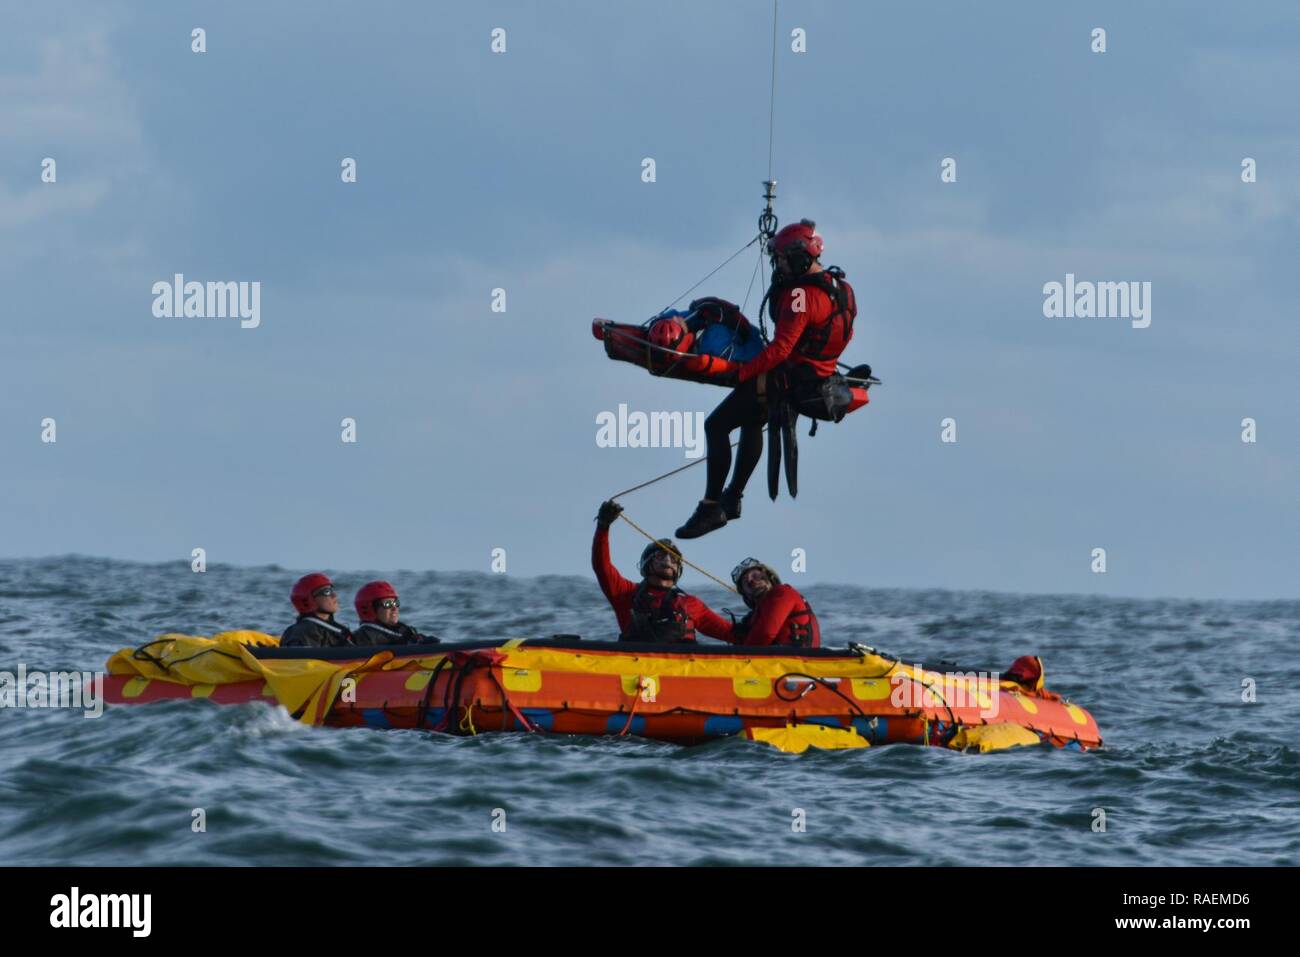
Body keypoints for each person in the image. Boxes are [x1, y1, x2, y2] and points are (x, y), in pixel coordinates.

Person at [676, 219, 857, 539]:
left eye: (783, 260)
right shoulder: (842, 287)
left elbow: (780, 350)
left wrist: (742, 372)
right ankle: (733, 501)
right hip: (818, 377)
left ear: (802, 257)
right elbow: (842, 333)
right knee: (751, 421)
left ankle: (711, 507)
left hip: (787, 379)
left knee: (715, 426)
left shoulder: (800, 296)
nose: (779, 266)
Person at [592, 500, 733, 643]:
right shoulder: (625, 593)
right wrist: (603, 527)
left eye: (673, 558)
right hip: (636, 663)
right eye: (660, 555)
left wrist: (757, 607)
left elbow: (733, 634)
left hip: (685, 665)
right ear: (646, 563)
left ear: (678, 568)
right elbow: (601, 566)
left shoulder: (691, 603)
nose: (668, 560)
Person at [727, 558, 820, 648]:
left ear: (769, 577)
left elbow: (765, 634)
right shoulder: (755, 617)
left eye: (755, 576)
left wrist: (741, 654)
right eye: (746, 582)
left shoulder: (783, 592)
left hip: (797, 661)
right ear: (746, 595)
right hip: (777, 661)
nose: (752, 581)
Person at [352, 581, 440, 647]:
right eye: (388, 604)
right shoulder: (363, 637)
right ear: (370, 609)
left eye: (396, 603)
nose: (395, 608)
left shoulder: (402, 631)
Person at [281, 573, 355, 648]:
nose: (334, 595)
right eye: (327, 592)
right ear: (308, 600)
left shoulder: (336, 629)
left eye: (332, 590)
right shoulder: (303, 631)